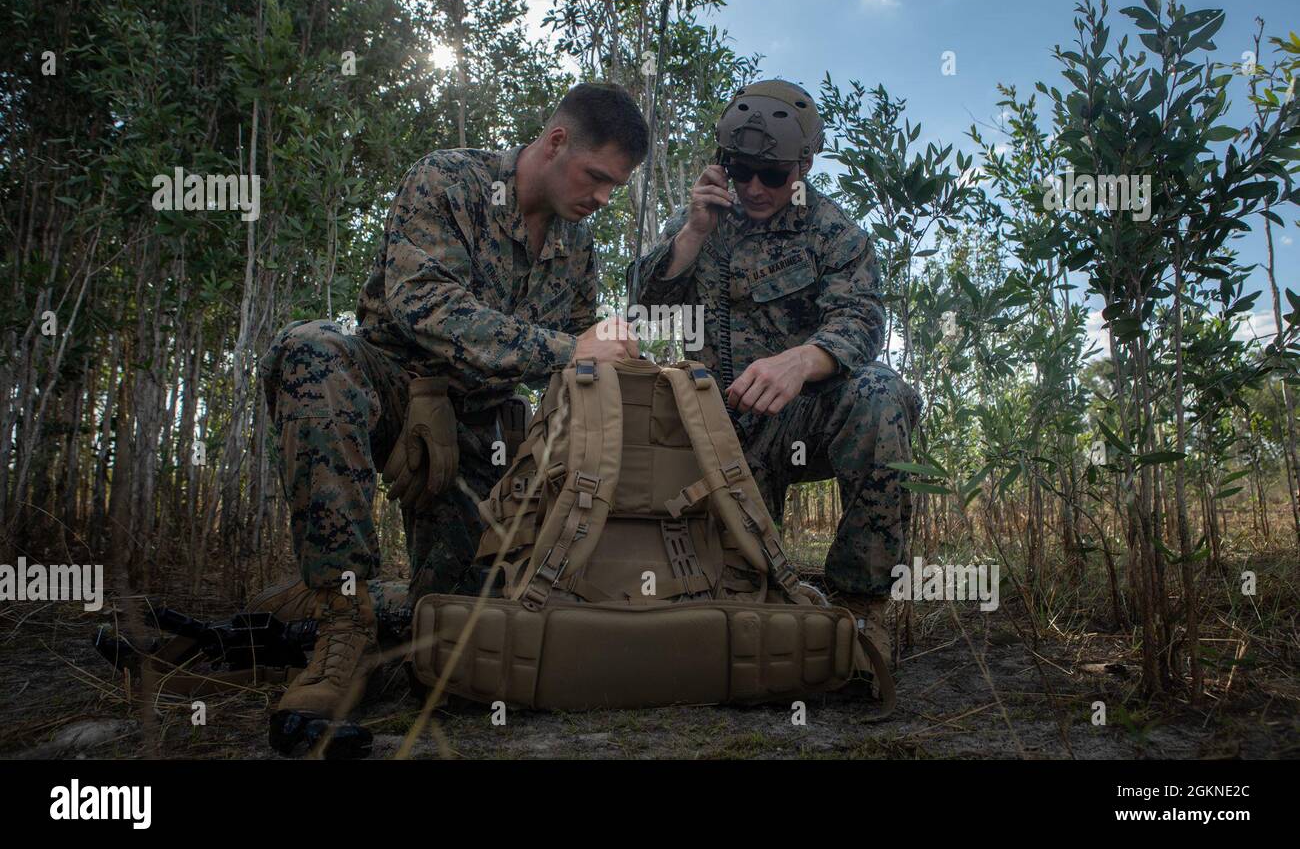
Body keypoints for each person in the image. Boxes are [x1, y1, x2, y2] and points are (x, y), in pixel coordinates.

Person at [258, 83, 646, 751]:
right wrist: (563, 348)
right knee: (311, 352)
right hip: (386, 385)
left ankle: (294, 605)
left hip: (482, 429)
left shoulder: (577, 246)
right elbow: (422, 303)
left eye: (616, 187)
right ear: (556, 142)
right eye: (597, 178)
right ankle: (341, 626)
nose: (603, 199)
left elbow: (583, 352)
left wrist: (615, 360)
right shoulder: (447, 179)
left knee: (458, 633)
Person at [628, 78, 920, 673]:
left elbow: (861, 321)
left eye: (774, 174)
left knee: (883, 393)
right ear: (722, 164)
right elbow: (643, 303)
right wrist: (693, 233)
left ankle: (860, 610)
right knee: (733, 619)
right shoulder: (704, 221)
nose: (756, 188)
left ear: (804, 165)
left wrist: (802, 361)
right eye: (741, 171)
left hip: (802, 420)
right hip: (714, 432)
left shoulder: (833, 230)